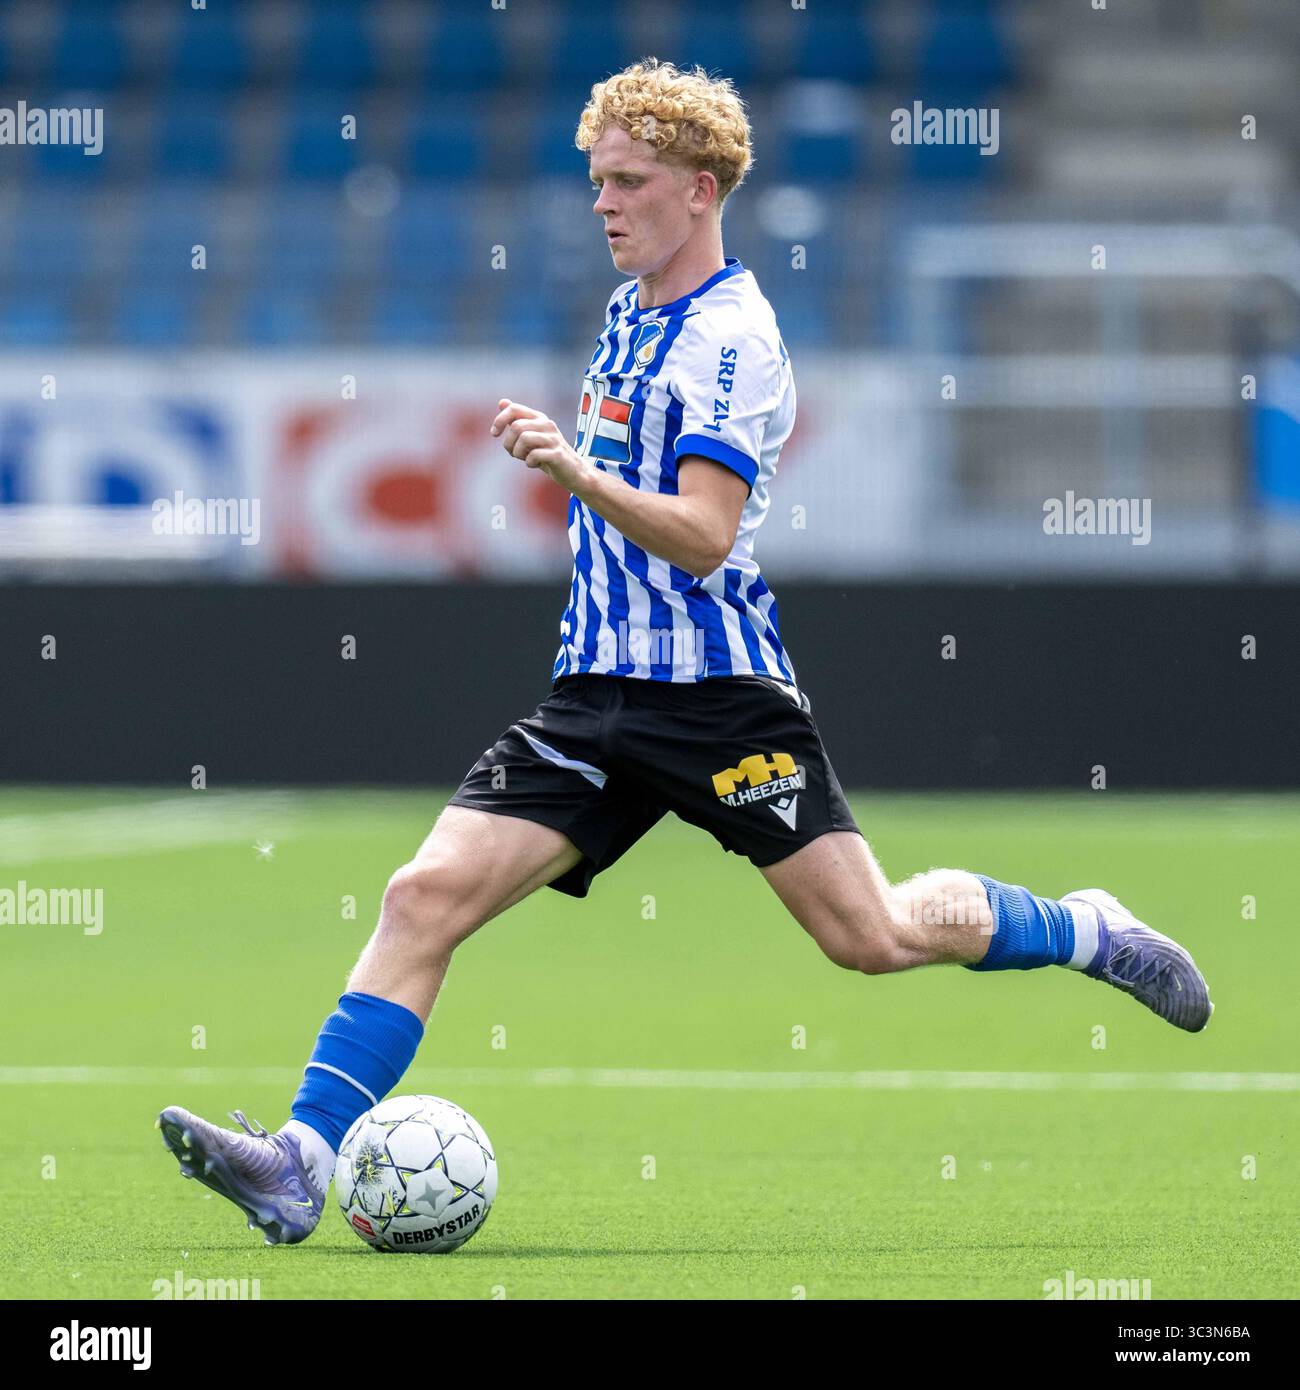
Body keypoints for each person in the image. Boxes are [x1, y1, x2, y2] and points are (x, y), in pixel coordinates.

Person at [158, 59, 1212, 1247]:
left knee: (868, 937)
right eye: (596, 181)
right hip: (593, 698)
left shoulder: (731, 340)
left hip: (718, 701)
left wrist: (572, 471)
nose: (602, 204)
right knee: (421, 895)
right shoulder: (627, 311)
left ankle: (1084, 925)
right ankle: (299, 1162)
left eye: (627, 182)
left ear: (700, 189)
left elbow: (706, 538)